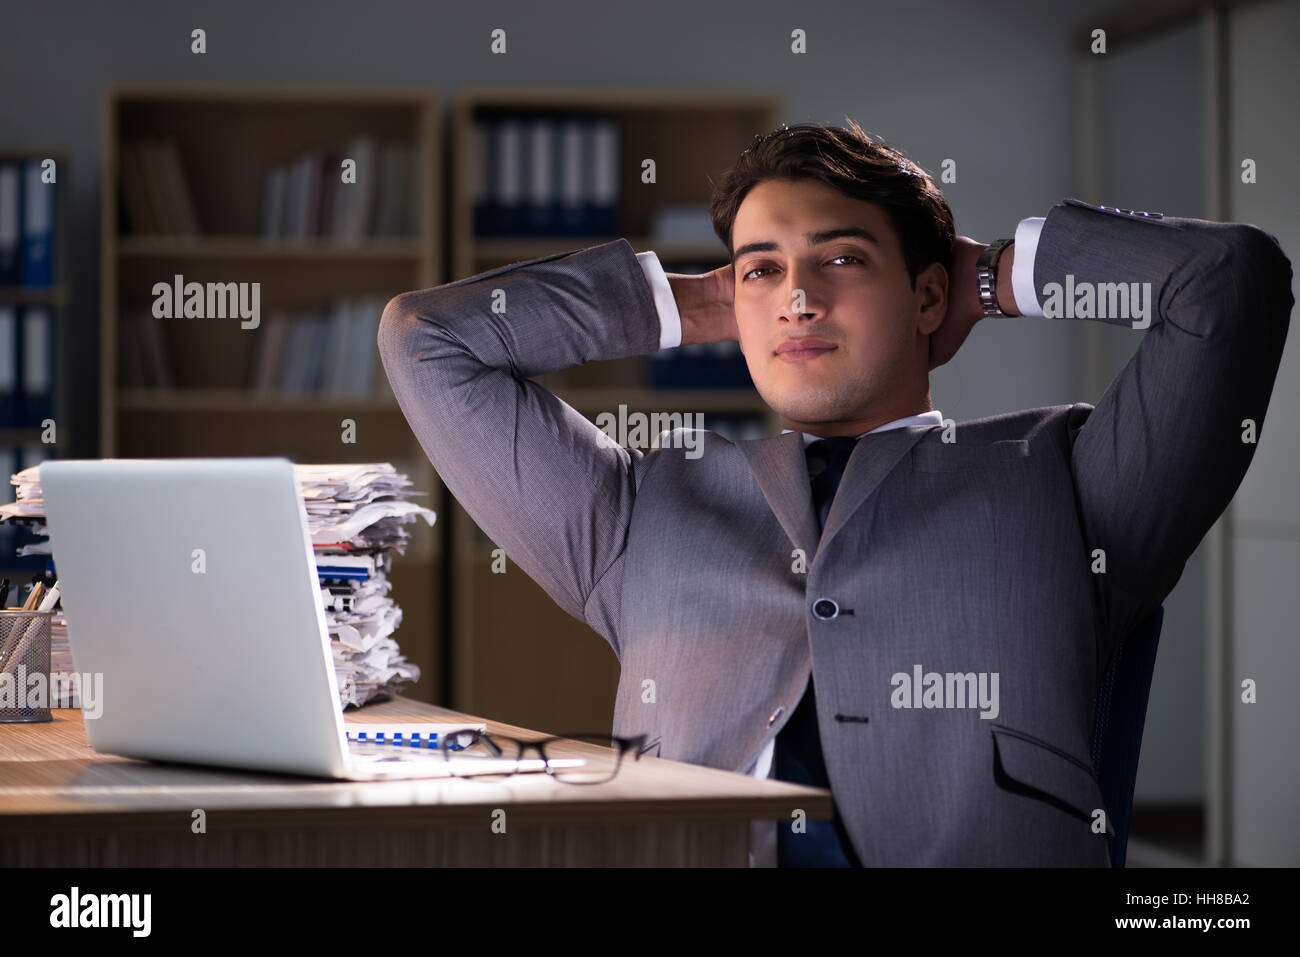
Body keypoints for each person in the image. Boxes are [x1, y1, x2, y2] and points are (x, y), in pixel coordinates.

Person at [378, 120, 1293, 866]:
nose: (798, 301)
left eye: (842, 260)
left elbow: (1229, 282)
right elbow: (430, 340)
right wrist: (704, 304)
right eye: (763, 268)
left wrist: (993, 277)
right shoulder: (638, 508)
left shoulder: (1073, 479)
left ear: (927, 297)